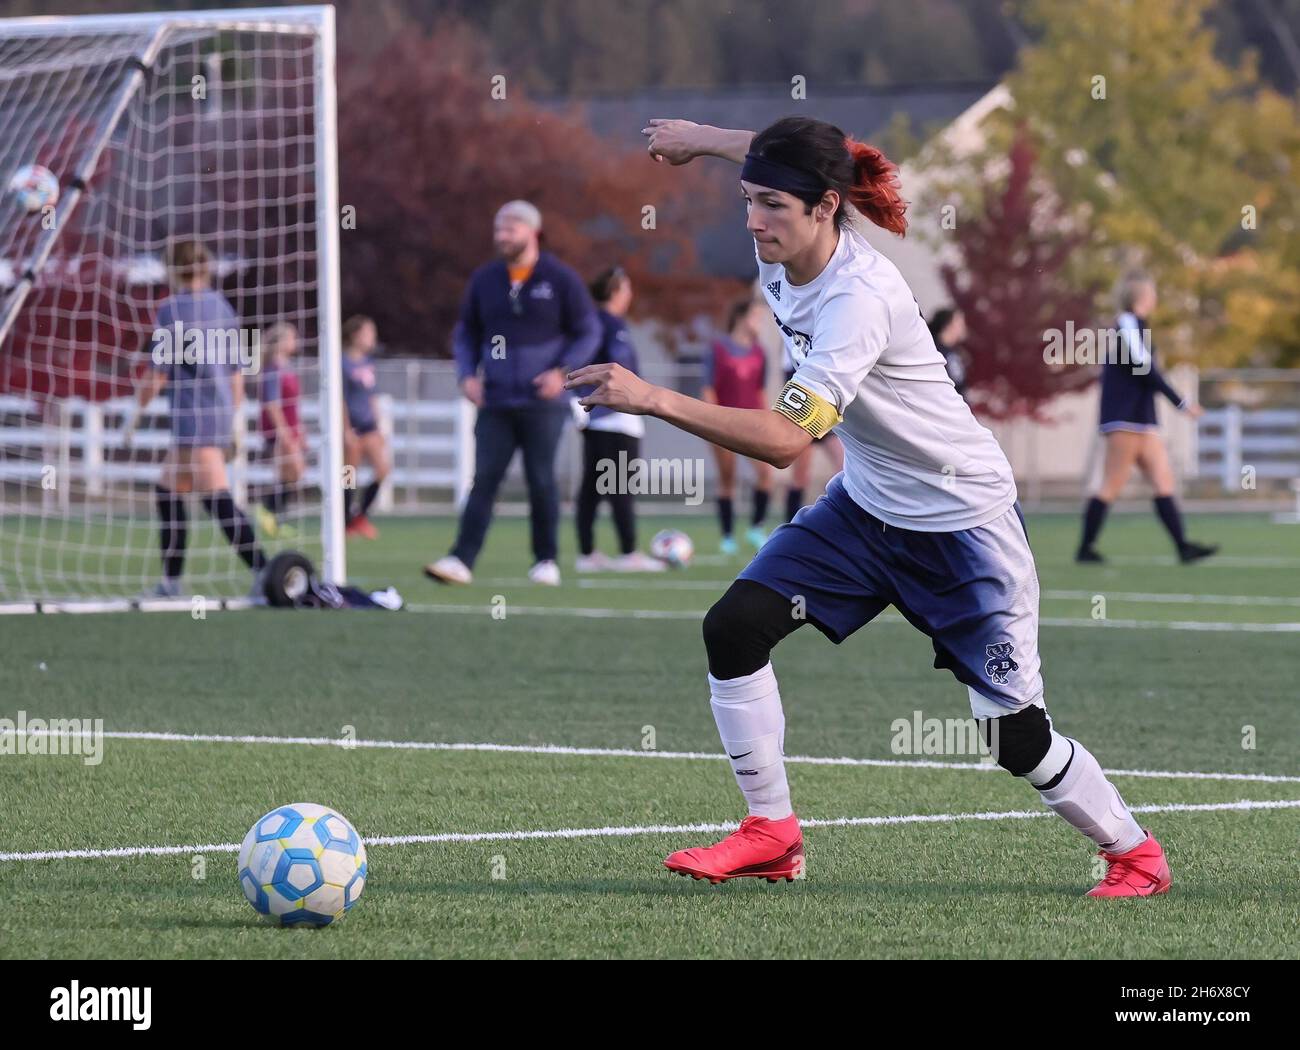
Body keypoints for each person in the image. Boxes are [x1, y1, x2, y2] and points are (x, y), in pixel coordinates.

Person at [564, 115, 1171, 897]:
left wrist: (650, 397)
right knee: (734, 626)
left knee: (1014, 737)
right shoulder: (781, 241)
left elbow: (787, 441)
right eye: (747, 199)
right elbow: (804, 156)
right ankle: (771, 832)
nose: (752, 219)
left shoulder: (861, 298)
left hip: (963, 530)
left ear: (824, 207)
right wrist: (703, 139)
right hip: (865, 508)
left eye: (771, 205)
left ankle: (1135, 853)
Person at [425, 200, 600, 586]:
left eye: (510, 229)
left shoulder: (560, 279)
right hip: (496, 401)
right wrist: (466, 375)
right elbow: (466, 332)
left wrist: (563, 372)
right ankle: (460, 560)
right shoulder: (485, 280)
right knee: (484, 479)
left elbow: (588, 330)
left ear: (532, 232)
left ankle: (546, 561)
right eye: (498, 229)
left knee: (541, 480)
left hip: (544, 403)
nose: (501, 236)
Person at [124, 239, 267, 597]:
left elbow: (158, 373)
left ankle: (266, 573)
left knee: (216, 496)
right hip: (216, 411)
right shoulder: (224, 307)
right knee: (169, 491)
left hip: (194, 414)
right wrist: (233, 421)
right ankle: (171, 583)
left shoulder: (172, 310)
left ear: (173, 270)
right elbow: (237, 375)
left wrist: (134, 413)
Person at [1077, 272, 1216, 564]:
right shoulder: (1127, 324)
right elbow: (1145, 368)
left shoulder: (1139, 326)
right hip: (1124, 420)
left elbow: (1145, 370)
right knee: (1111, 485)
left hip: (1143, 420)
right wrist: (1181, 402)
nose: (1155, 298)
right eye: (1152, 292)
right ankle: (1085, 548)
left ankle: (1183, 547)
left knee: (1164, 483)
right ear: (1141, 295)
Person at [574, 266, 664, 573]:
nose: (630, 294)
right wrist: (578, 401)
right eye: (626, 288)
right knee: (616, 485)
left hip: (613, 421)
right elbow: (584, 363)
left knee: (595, 486)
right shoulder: (603, 325)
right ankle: (627, 553)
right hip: (609, 419)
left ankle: (587, 554)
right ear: (614, 291)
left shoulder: (612, 324)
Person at [703, 299, 773, 552]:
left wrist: (768, 421)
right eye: (756, 317)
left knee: (766, 475)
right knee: (727, 479)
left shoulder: (760, 352)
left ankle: (756, 528)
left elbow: (760, 391)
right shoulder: (719, 348)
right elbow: (708, 388)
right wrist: (714, 421)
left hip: (753, 425)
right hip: (725, 425)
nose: (760, 323)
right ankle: (727, 537)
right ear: (742, 317)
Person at [780, 336, 843, 522]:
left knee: (844, 467)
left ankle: (835, 520)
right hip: (805, 413)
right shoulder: (792, 341)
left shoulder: (826, 334)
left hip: (826, 413)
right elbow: (788, 377)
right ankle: (789, 526)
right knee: (800, 477)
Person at [340, 315, 391, 539]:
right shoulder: (342, 363)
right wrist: (345, 429)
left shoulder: (368, 363)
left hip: (368, 426)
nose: (373, 338)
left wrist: (379, 426)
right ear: (355, 335)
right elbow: (340, 398)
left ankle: (360, 515)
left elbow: (371, 396)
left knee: (382, 469)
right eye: (369, 333)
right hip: (352, 426)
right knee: (349, 474)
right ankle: (345, 520)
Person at [254, 322, 304, 539]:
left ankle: (272, 515)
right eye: (292, 337)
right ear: (281, 342)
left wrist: (299, 430)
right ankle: (268, 512)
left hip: (290, 429)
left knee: (291, 474)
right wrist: (284, 434)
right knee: (292, 470)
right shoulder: (273, 370)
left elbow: (292, 404)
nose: (296, 341)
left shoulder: (286, 367)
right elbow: (272, 405)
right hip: (278, 431)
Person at [927, 307, 969, 399]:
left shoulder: (952, 352)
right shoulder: (937, 352)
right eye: (959, 324)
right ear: (948, 326)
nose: (963, 327)